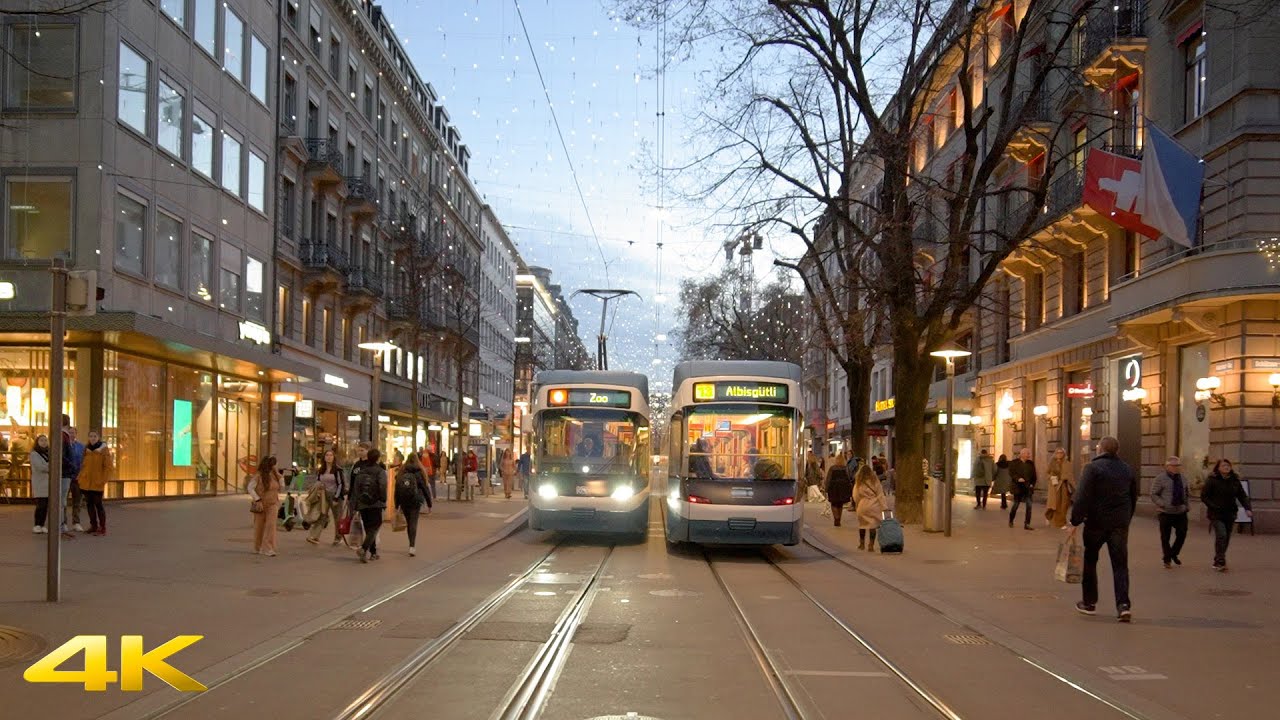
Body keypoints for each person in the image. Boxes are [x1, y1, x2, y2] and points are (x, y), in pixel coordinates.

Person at [1068, 436, 1137, 622]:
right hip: (1119, 525)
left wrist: (1075, 521)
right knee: (1120, 565)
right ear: (1117, 450)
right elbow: (1133, 497)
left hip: (1096, 524)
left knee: (1090, 561)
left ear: (1100, 449)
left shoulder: (1092, 468)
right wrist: (1125, 520)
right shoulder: (1126, 469)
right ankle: (1123, 606)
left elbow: (1082, 496)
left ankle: (1089, 602)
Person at [1201, 458, 1252, 572]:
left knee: (1226, 537)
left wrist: (1247, 508)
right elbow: (1204, 496)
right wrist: (1213, 506)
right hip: (1216, 513)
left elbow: (1242, 496)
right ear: (1218, 468)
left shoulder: (1234, 480)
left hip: (1230, 513)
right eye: (1223, 466)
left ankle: (1218, 558)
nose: (1226, 467)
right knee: (1222, 535)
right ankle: (1220, 561)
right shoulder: (1212, 480)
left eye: (1228, 465)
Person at [1149, 456, 1190, 569]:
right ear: (1167, 467)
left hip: (1180, 511)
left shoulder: (1183, 478)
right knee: (1165, 537)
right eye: (1174, 465)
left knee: (1182, 534)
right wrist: (1162, 504)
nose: (1176, 468)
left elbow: (1186, 493)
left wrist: (1187, 506)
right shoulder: (1160, 478)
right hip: (1165, 512)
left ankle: (1173, 553)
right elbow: (1153, 494)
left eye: (1178, 465)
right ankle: (1167, 559)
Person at [351, 448, 388, 562]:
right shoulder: (380, 471)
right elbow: (382, 486)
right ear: (378, 458)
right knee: (375, 526)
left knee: (368, 528)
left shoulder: (361, 471)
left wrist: (357, 502)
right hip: (376, 503)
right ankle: (363, 549)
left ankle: (373, 552)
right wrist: (383, 500)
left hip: (363, 503)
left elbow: (356, 488)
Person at [394, 452, 433, 556]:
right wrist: (429, 504)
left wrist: (396, 504)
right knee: (413, 522)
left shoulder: (402, 471)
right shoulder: (420, 471)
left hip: (404, 500)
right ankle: (412, 546)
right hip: (416, 500)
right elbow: (425, 489)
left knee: (408, 522)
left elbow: (397, 489)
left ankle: (410, 544)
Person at [307, 450, 346, 546]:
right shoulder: (321, 470)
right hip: (324, 495)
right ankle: (314, 536)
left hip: (335, 495)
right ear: (324, 457)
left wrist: (336, 498)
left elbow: (341, 484)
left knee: (337, 517)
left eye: (331, 455)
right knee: (322, 515)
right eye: (327, 455)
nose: (329, 457)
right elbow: (318, 480)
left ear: (334, 457)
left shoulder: (337, 470)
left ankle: (338, 538)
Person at [77, 431, 112, 535]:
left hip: (97, 482)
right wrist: (80, 478)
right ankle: (93, 525)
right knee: (89, 505)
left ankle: (102, 527)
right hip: (86, 482)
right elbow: (82, 465)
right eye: (91, 436)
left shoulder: (103, 450)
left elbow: (108, 467)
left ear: (99, 437)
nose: (92, 438)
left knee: (98, 505)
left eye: (95, 436)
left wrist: (103, 480)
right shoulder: (86, 449)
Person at [250, 456, 283, 556]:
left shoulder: (275, 476)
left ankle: (268, 548)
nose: (275, 467)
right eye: (274, 465)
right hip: (260, 503)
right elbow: (250, 488)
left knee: (271, 526)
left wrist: (278, 474)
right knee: (259, 526)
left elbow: (282, 486)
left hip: (273, 504)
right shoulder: (259, 476)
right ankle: (258, 547)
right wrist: (257, 499)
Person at [854, 464, 889, 551]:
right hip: (874, 505)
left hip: (863, 505)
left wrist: (858, 504)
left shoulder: (859, 482)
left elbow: (856, 495)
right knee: (872, 525)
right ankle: (871, 545)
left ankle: (862, 544)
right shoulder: (875, 481)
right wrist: (884, 507)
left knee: (862, 525)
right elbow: (880, 495)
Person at [1008, 447, 1038, 529]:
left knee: (1029, 505)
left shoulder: (1031, 463)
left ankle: (1027, 524)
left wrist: (1032, 484)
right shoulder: (1014, 463)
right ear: (1022, 454)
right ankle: (1011, 520)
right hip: (1018, 487)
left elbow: (1034, 476)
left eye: (1029, 453)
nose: (1029, 455)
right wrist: (1018, 479)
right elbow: (1011, 473)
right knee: (1016, 505)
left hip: (1028, 488)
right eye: (1027, 453)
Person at [1044, 448, 1074, 528]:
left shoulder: (1067, 463)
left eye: (1061, 453)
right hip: (1054, 486)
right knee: (1054, 504)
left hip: (1064, 485)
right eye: (1058, 452)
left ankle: (1061, 523)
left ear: (1064, 454)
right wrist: (1051, 477)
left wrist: (1074, 487)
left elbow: (1070, 475)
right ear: (1055, 453)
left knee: (1064, 505)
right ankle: (1048, 516)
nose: (1059, 454)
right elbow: (1047, 473)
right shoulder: (1052, 463)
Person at [824, 451, 853, 527]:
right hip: (843, 488)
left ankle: (836, 518)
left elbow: (828, 478)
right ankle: (839, 518)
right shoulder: (845, 468)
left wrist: (826, 488)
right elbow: (849, 478)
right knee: (840, 504)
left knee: (833, 503)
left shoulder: (832, 468)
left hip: (833, 487)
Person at [65, 427, 86, 532]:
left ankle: (76, 522)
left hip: (77, 478)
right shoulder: (64, 446)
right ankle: (63, 522)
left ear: (76, 434)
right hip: (66, 477)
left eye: (73, 433)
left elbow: (84, 462)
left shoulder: (81, 447)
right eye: (69, 433)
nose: (71, 434)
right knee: (63, 501)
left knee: (77, 501)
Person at [30, 434, 51, 534]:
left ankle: (42, 524)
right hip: (40, 482)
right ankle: (37, 524)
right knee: (40, 504)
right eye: (41, 440)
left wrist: (48, 466)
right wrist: (50, 466)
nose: (44, 442)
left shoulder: (49, 453)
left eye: (45, 440)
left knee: (46, 505)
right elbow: (40, 467)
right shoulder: (34, 454)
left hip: (48, 483)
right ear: (37, 442)